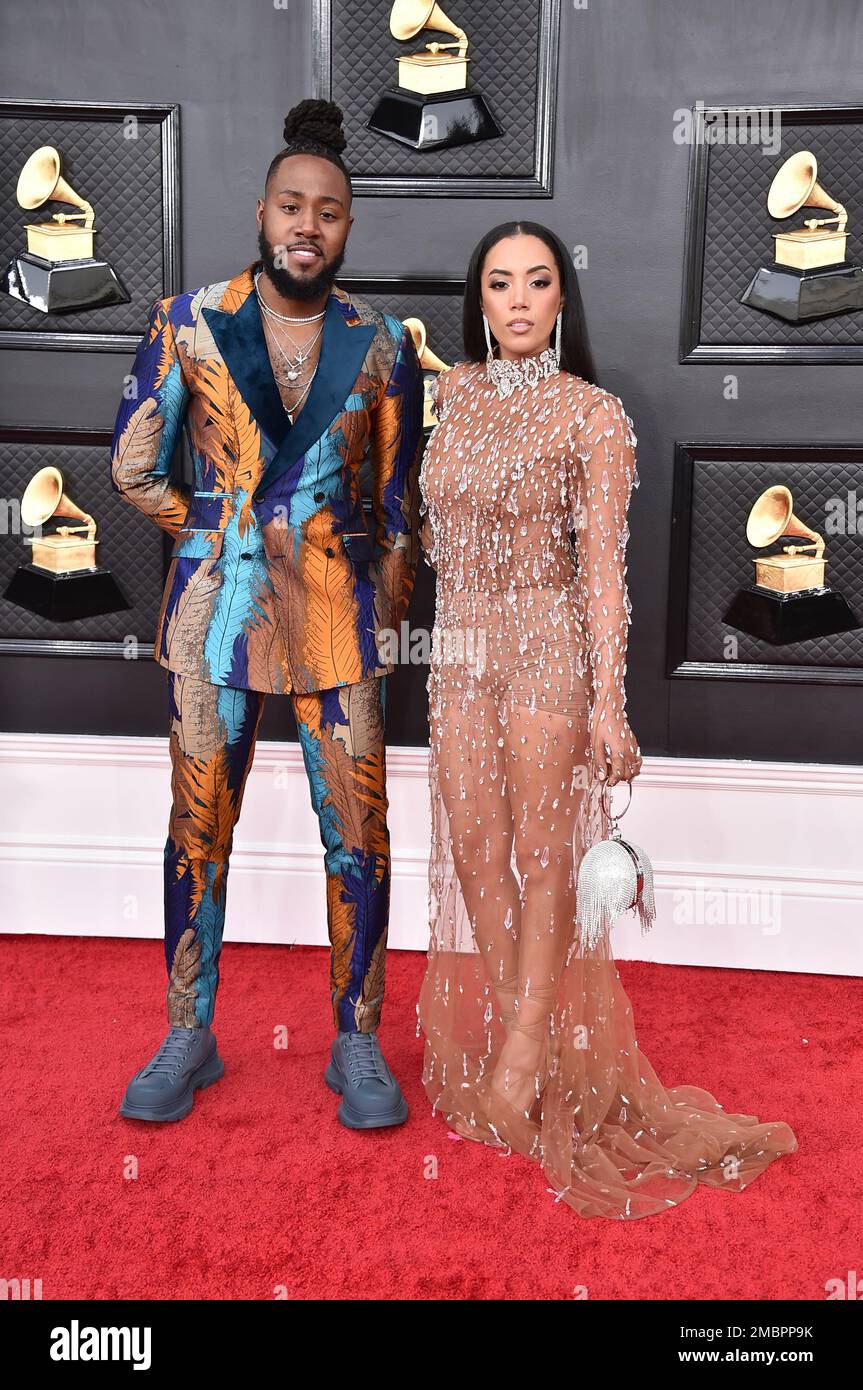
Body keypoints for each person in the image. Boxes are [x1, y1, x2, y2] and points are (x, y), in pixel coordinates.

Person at [416, 220, 798, 1218]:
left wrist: (609, 705)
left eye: (535, 283)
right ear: (479, 298)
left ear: (559, 301)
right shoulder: (446, 398)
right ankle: (516, 1029)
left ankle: (523, 1057)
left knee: (543, 857)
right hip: (456, 653)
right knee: (470, 846)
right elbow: (431, 536)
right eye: (496, 282)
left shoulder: (594, 416)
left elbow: (601, 575)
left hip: (548, 651)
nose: (514, 300)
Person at [110, 99, 423, 1129]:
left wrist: (379, 586)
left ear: (346, 228)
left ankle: (356, 1041)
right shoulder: (187, 320)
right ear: (261, 212)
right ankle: (186, 1033)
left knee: (359, 837)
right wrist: (219, 524)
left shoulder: (379, 344)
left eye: (328, 212)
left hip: (337, 623)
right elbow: (132, 466)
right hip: (217, 618)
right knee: (197, 829)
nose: (308, 225)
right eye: (292, 205)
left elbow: (392, 502)